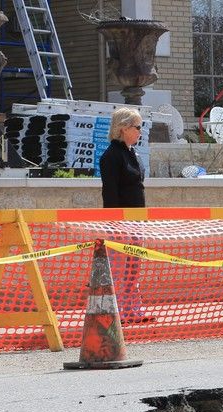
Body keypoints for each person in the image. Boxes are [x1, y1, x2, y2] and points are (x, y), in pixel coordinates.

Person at [99, 107, 149, 322]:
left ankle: (133, 309)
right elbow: (110, 193)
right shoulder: (111, 156)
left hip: (136, 220)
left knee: (134, 267)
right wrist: (115, 224)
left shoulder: (133, 153)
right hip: (120, 223)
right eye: (137, 127)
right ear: (124, 128)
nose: (140, 131)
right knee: (119, 268)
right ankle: (117, 311)